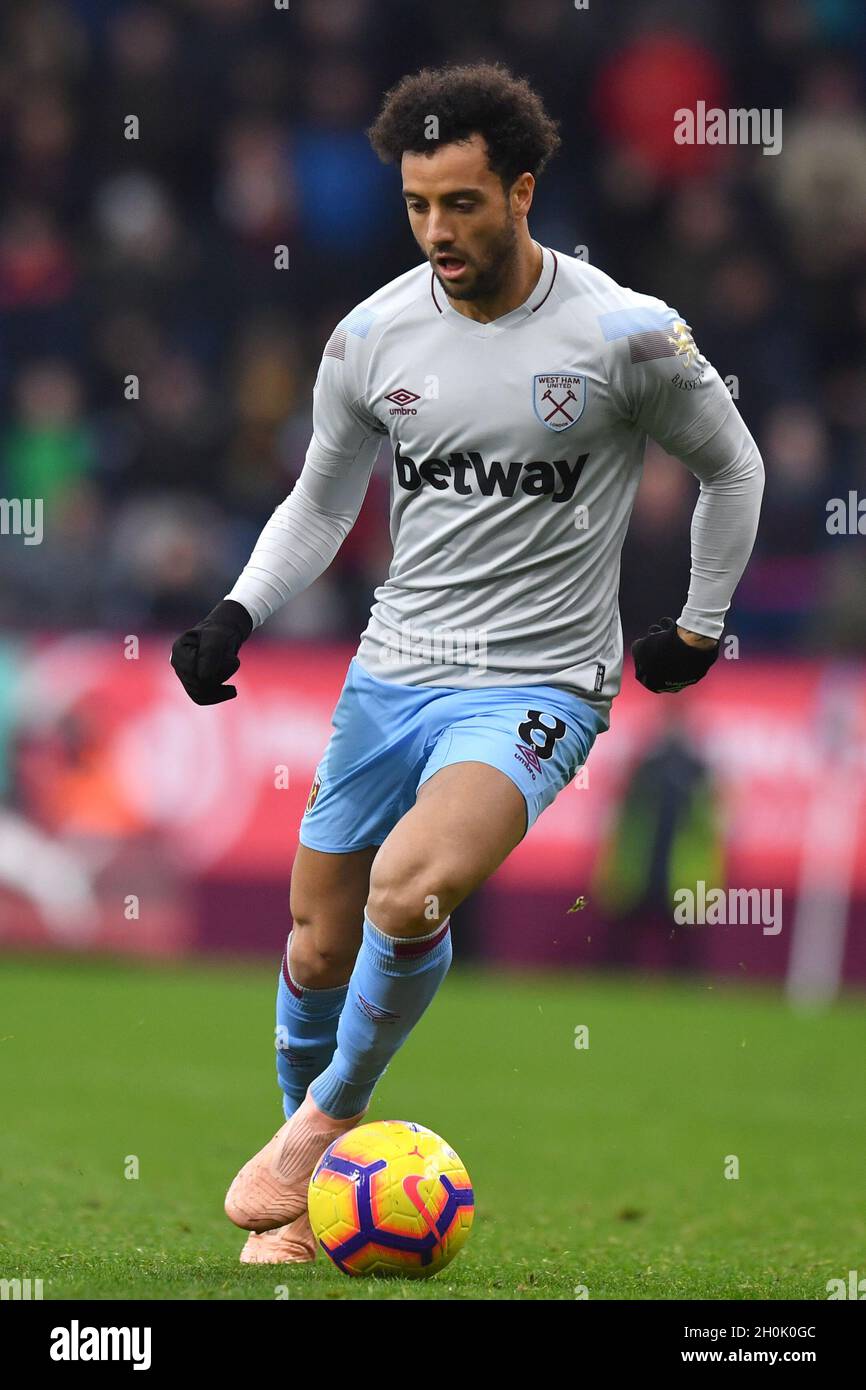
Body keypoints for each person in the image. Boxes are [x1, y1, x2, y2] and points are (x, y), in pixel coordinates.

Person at [170, 62, 764, 1264]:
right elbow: (318, 502)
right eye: (416, 206)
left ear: (522, 190)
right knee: (316, 943)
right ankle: (304, 1188)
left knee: (409, 886)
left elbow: (732, 467)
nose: (437, 231)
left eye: (463, 204)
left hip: (538, 683)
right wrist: (235, 611)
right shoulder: (371, 336)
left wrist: (698, 624)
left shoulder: (623, 334)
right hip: (392, 670)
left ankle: (322, 1124)